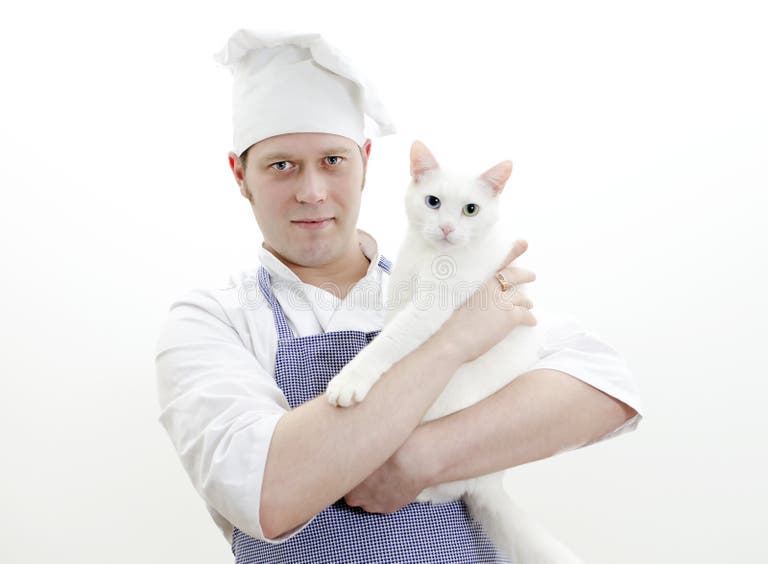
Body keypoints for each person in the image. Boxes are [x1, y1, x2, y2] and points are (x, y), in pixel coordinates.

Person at [155, 29, 644, 563]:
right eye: (281, 165)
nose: (312, 191)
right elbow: (269, 491)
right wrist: (451, 344)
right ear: (239, 175)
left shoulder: (445, 276)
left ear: (366, 161)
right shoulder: (211, 319)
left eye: (333, 161)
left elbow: (606, 390)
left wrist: (419, 458)